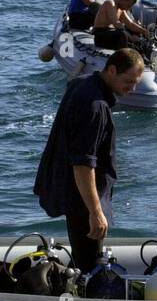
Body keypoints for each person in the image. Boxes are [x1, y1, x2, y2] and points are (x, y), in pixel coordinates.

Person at [33, 49, 145, 273]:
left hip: (69, 189)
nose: (132, 89)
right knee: (89, 265)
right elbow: (83, 164)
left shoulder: (82, 83)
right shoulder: (95, 106)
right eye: (128, 81)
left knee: (82, 257)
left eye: (136, 83)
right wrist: (95, 212)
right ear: (112, 70)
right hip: (83, 200)